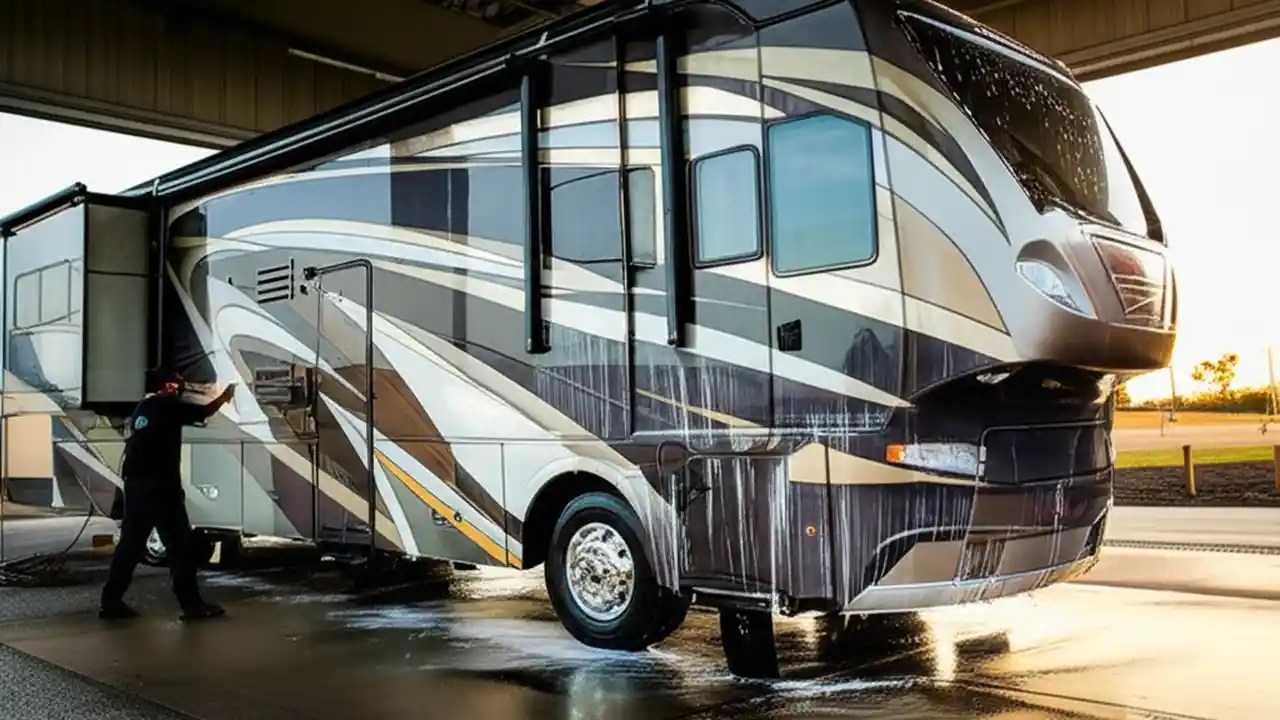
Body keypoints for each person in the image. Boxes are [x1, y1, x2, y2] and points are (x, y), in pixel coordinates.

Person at [99, 370, 237, 621]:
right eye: (176, 384)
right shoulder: (166, 405)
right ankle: (192, 605)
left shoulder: (143, 407)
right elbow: (203, 413)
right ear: (167, 387)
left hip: (136, 484)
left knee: (130, 546)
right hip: (161, 486)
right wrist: (225, 396)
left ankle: (110, 601)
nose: (180, 389)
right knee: (180, 546)